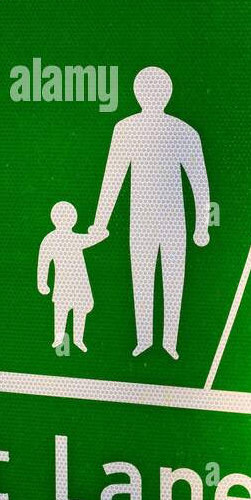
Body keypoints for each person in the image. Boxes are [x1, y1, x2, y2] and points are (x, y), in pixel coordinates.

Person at [91, 67, 210, 360]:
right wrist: (100, 222)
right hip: (142, 219)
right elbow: (113, 177)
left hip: (172, 221)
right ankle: (144, 338)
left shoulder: (184, 132)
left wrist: (202, 226)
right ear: (138, 94)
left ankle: (170, 341)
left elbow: (199, 181)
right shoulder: (125, 129)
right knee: (143, 277)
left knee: (172, 277)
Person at [37, 202, 102, 353]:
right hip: (62, 285)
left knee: (80, 311)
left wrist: (100, 234)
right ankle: (59, 339)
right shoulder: (50, 239)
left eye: (69, 216)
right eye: (62, 216)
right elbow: (43, 262)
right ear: (54, 218)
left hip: (80, 284)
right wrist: (42, 282)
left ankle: (78, 339)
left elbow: (90, 239)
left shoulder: (75, 238)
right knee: (60, 311)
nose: (66, 219)